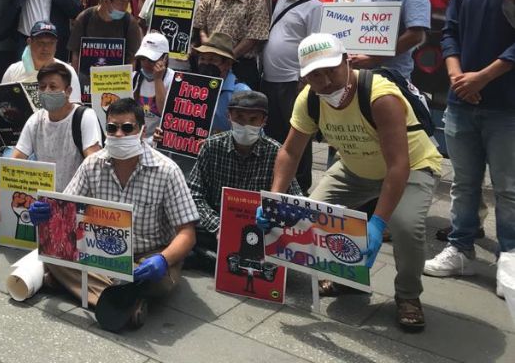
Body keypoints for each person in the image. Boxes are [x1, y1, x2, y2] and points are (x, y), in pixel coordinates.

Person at [261, 33, 441, 330]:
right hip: (355, 168)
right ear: (305, 78)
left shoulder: (380, 97)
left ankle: (408, 295)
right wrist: (274, 202)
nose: (327, 80)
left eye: (332, 69)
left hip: (412, 167)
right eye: (316, 75)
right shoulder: (309, 101)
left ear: (347, 60)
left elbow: (398, 165)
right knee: (312, 213)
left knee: (406, 227)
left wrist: (379, 222)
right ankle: (351, 280)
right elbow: (290, 152)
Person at [29, 98, 199, 329]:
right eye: (112, 128)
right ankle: (125, 302)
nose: (118, 134)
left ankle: (81, 286)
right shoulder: (92, 164)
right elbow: (66, 210)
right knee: (53, 253)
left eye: (127, 128)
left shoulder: (167, 171)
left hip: (147, 254)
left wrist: (163, 259)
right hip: (99, 249)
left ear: (142, 131)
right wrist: (46, 213)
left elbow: (187, 233)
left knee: (160, 282)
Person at [423, 0, 515, 298]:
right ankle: (460, 248)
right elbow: (450, 33)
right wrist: (459, 75)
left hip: (506, 106)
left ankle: (509, 257)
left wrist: (484, 77)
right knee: (463, 183)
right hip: (462, 101)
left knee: (508, 188)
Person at [0, 62, 102, 244]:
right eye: (42, 87)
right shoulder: (36, 120)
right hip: (42, 204)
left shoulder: (84, 116)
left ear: (67, 91)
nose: (47, 91)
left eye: (53, 87)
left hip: (76, 201)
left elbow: (94, 162)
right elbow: (15, 160)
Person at [185, 91, 301, 271]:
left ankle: (213, 259)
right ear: (228, 116)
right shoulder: (211, 146)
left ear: (264, 121)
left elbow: (295, 201)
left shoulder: (276, 153)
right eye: (239, 117)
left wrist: (275, 217)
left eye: (253, 119)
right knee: (183, 230)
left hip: (261, 232)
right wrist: (218, 227)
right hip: (215, 227)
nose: (245, 124)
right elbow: (193, 194)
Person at [261, 0, 323, 193]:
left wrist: (305, 80)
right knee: (274, 133)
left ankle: (301, 184)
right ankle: (278, 179)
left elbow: (314, 43)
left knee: (297, 134)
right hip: (270, 79)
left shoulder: (314, 6)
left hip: (292, 82)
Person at [194, 0, 268, 89]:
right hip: (211, 65)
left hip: (243, 66)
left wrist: (228, 58)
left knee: (242, 108)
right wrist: (211, 52)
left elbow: (254, 36)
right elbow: (201, 27)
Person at [67, 0, 142, 71]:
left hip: (117, 80)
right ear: (105, 1)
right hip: (86, 78)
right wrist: (76, 81)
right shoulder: (84, 18)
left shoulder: (130, 22)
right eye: (121, 2)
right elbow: (75, 55)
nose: (125, 7)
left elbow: (132, 59)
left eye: (127, 2)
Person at [1, 21, 81, 103]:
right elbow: (2, 103)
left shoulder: (67, 71)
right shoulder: (13, 71)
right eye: (40, 43)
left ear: (56, 44)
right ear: (29, 42)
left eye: (51, 43)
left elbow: (74, 107)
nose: (45, 48)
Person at [139, 0, 196, 71]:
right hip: (152, 63)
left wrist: (192, 48)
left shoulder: (198, 1)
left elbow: (199, 33)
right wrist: (143, 49)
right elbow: (141, 25)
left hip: (181, 66)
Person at [194, 32, 251, 133]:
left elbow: (248, 134)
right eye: (202, 59)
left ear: (228, 64)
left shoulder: (242, 93)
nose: (206, 64)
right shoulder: (191, 88)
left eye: (212, 60)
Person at [132, 33, 175, 147]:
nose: (146, 64)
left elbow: (166, 115)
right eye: (143, 59)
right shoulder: (133, 78)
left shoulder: (173, 80)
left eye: (151, 60)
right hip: (135, 142)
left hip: (160, 145)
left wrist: (158, 80)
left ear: (165, 58)